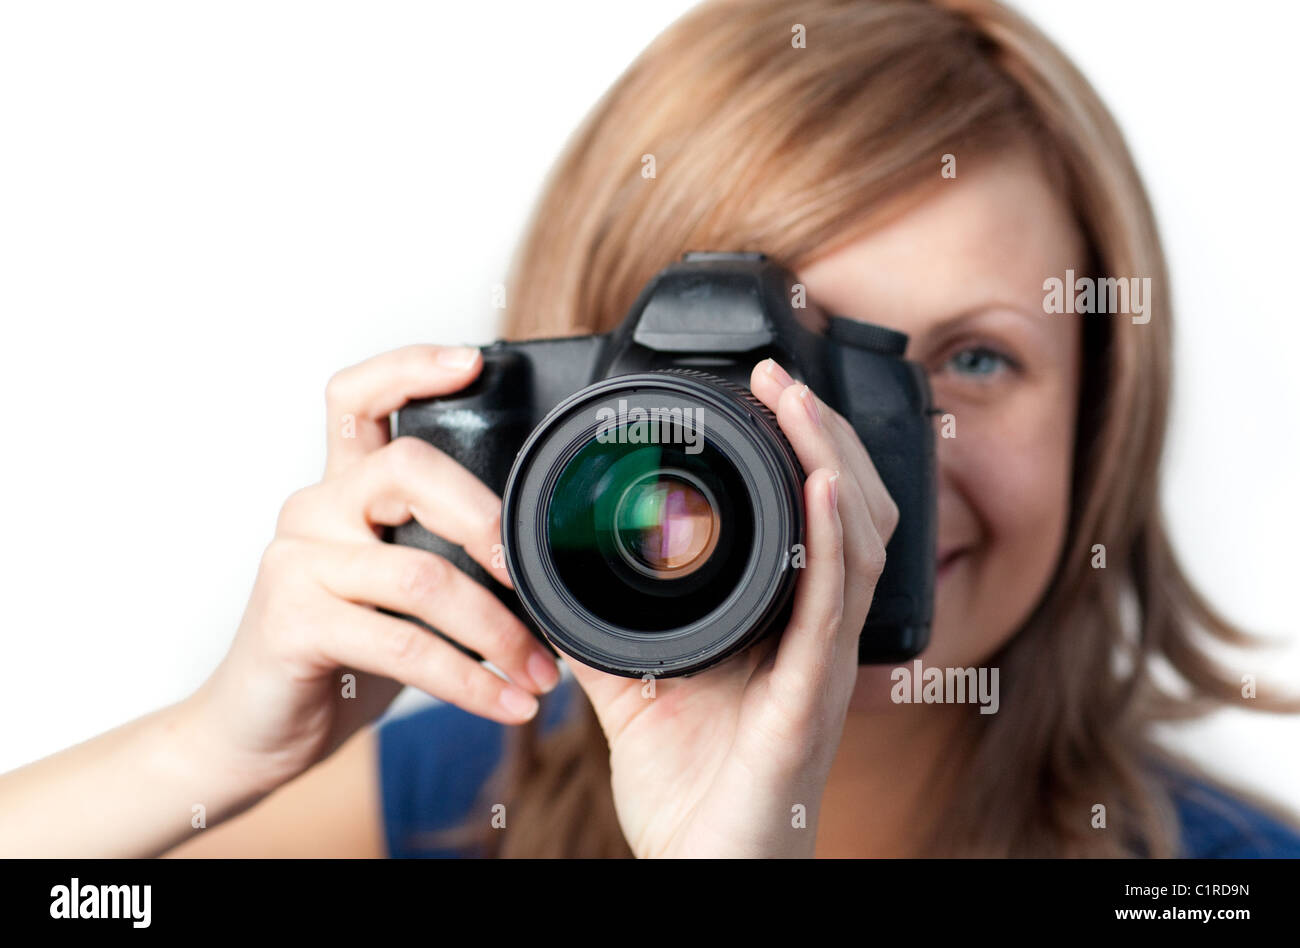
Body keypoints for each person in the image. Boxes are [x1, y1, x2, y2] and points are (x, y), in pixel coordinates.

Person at [3, 0, 1297, 859]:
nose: (855, 476)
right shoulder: (451, 803)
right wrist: (210, 746)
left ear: (1102, 417)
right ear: (572, 428)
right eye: (772, 376)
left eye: (975, 357)